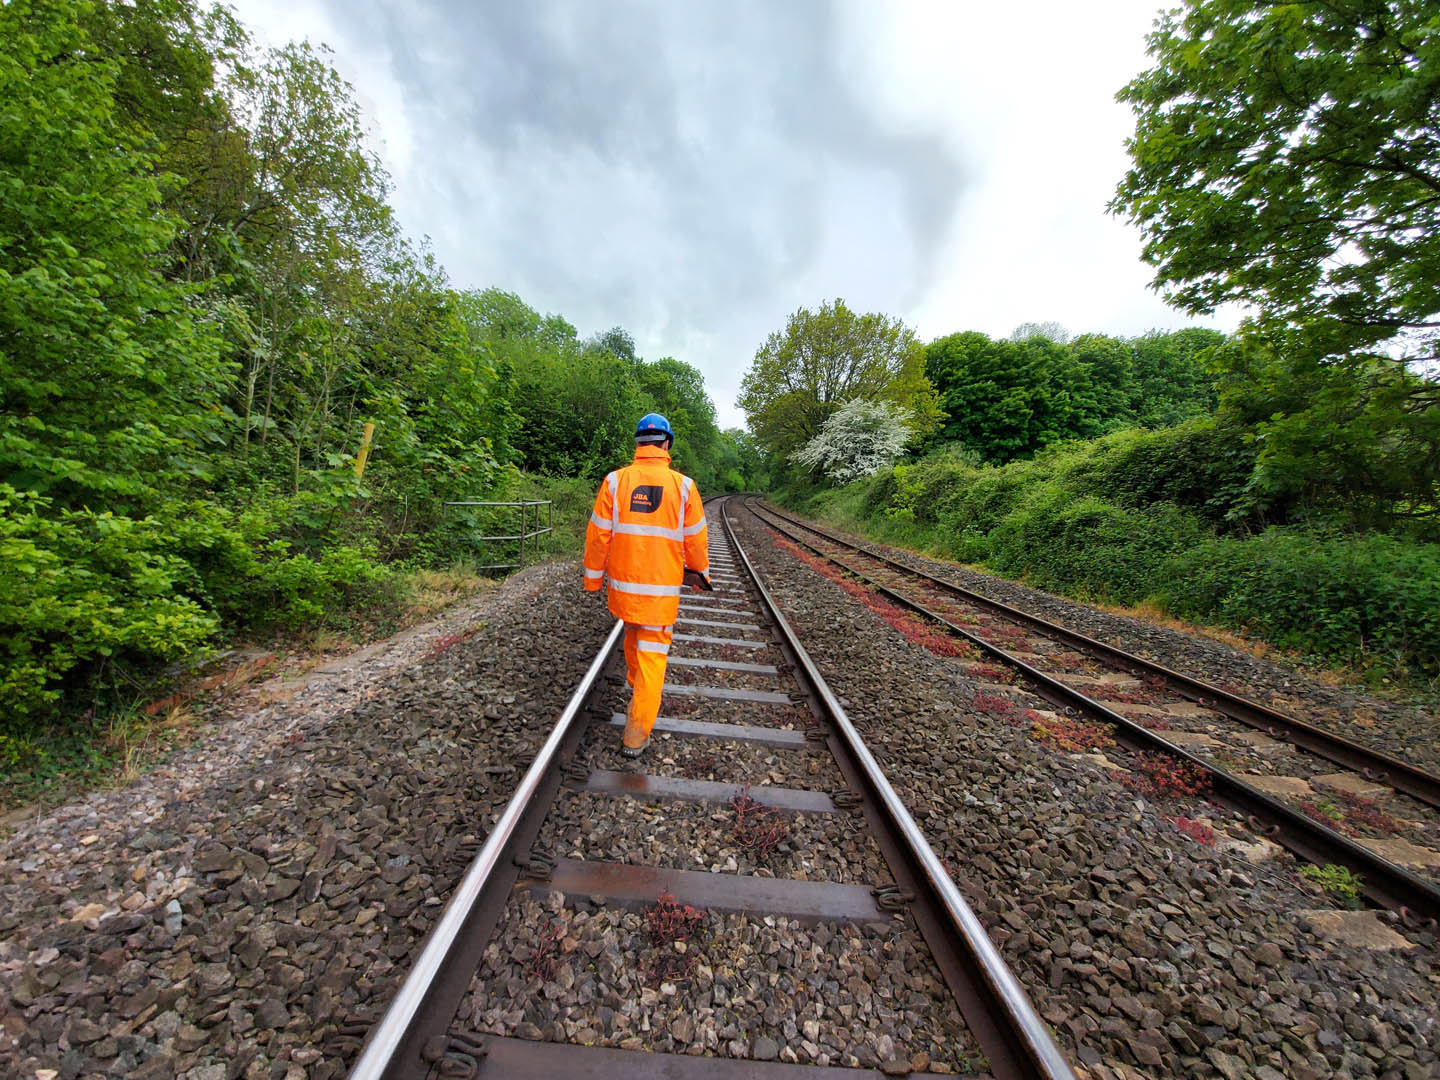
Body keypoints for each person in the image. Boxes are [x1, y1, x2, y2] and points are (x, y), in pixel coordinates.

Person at [583, 413, 709, 757]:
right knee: (652, 657)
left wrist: (593, 580)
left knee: (632, 635)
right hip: (661, 595)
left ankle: (637, 689)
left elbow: (598, 536)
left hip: (624, 592)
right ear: (666, 445)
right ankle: (636, 735)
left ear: (637, 444)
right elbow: (696, 541)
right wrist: (700, 573)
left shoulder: (614, 482)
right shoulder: (683, 486)